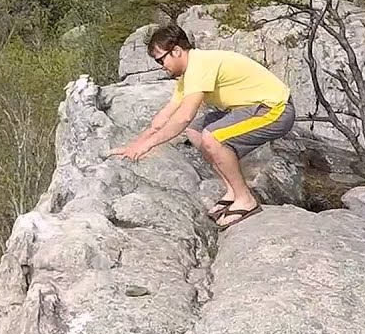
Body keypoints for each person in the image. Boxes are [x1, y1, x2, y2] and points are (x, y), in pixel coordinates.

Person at [108, 23, 294, 229]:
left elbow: (184, 116)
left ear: (177, 51)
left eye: (161, 59)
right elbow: (166, 116)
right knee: (196, 131)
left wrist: (148, 145)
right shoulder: (188, 74)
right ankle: (233, 190)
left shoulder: (200, 65)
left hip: (274, 109)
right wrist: (135, 144)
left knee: (213, 137)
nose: (161, 65)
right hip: (250, 108)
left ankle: (245, 199)